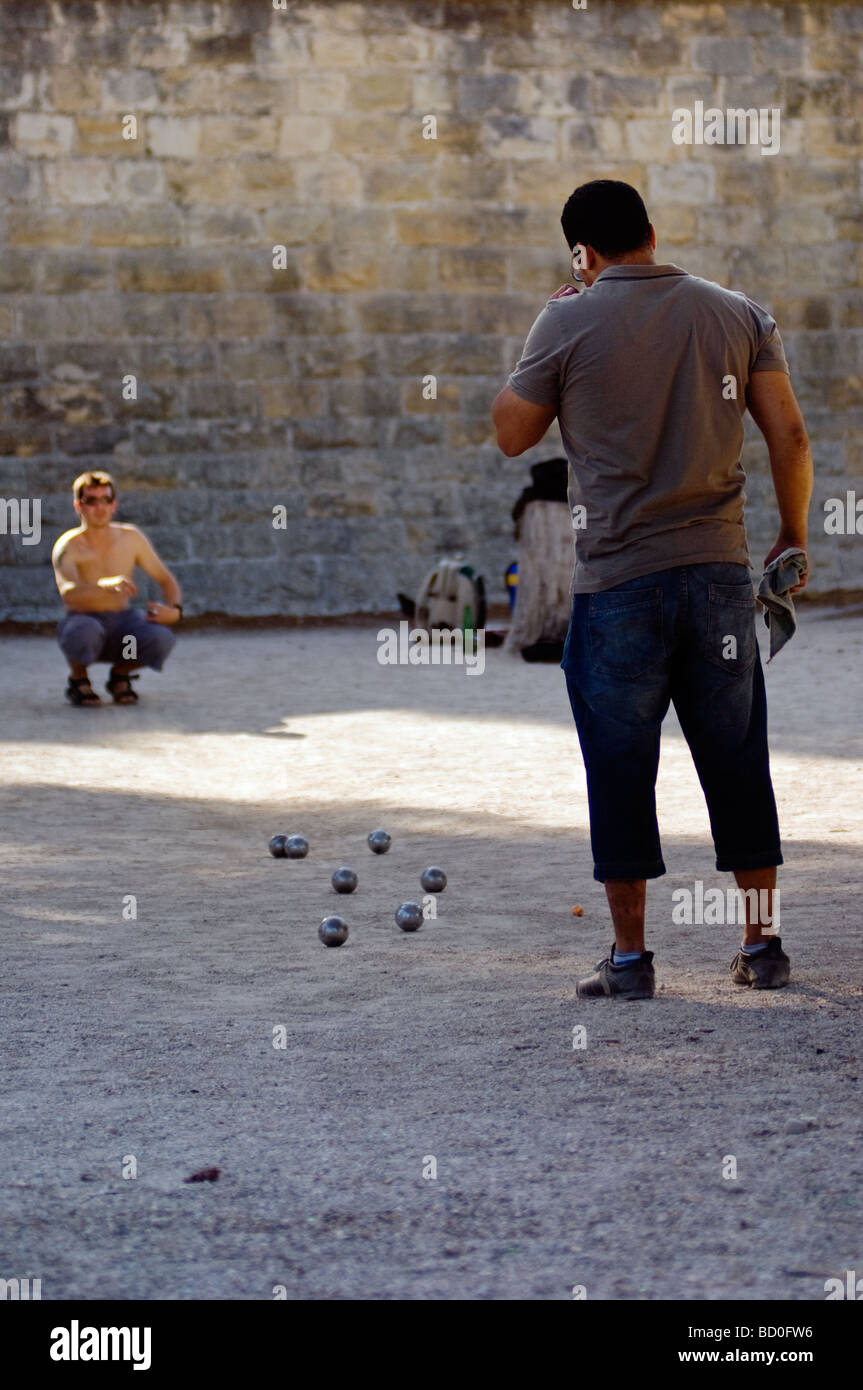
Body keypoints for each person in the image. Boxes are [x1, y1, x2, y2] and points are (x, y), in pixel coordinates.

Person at [491, 180, 812, 999]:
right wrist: (792, 536)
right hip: (717, 575)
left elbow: (509, 434)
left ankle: (630, 960)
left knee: (619, 765)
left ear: (580, 252)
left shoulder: (565, 319)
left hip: (617, 584)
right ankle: (762, 945)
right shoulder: (738, 312)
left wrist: (554, 318)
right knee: (739, 759)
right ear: (652, 233)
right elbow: (789, 433)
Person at [51, 471, 182, 706]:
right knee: (84, 631)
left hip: (123, 625)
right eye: (91, 501)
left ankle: (120, 676)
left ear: (114, 504)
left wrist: (174, 609)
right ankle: (79, 679)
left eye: (106, 500)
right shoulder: (68, 546)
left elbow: (165, 579)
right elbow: (68, 593)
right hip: (84, 621)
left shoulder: (130, 538)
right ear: (78, 505)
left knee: (160, 638)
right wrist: (103, 586)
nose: (99, 507)